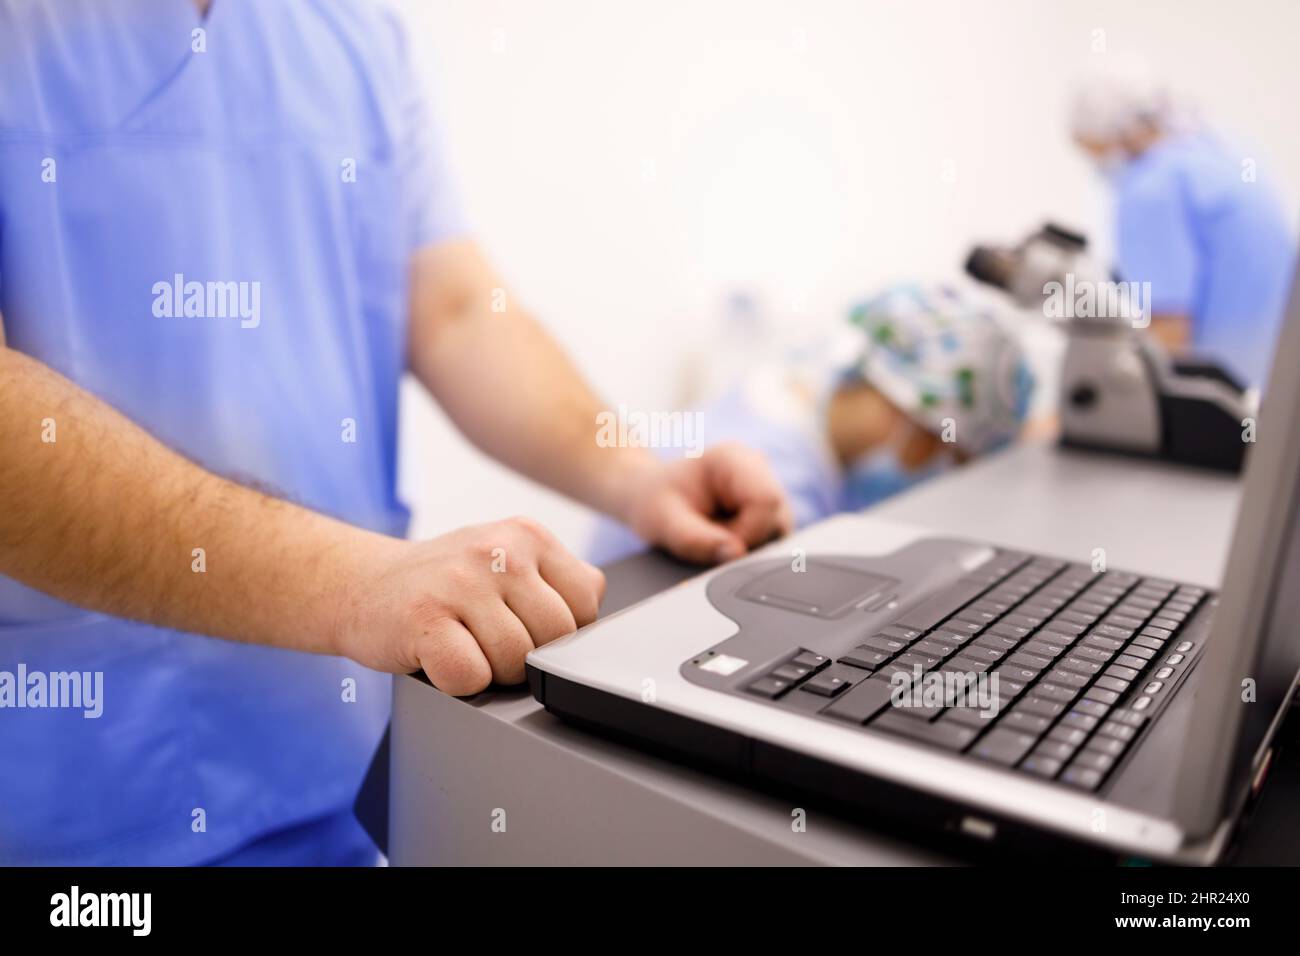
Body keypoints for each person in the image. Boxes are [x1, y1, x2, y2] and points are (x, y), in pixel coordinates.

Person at [0, 0, 792, 865]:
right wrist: (357, 585)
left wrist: (637, 476)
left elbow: (453, 312)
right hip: (81, 809)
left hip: (341, 776)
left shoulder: (350, 33)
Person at [589, 283, 1033, 565]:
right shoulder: (776, 479)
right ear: (913, 414)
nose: (934, 468)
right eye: (945, 453)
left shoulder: (781, 391)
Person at [1070, 57, 1296, 388]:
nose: (1097, 163)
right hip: (1280, 396)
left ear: (1118, 132)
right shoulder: (1228, 154)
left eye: (1094, 149)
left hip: (1226, 401)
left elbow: (1168, 335)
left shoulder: (1151, 189)